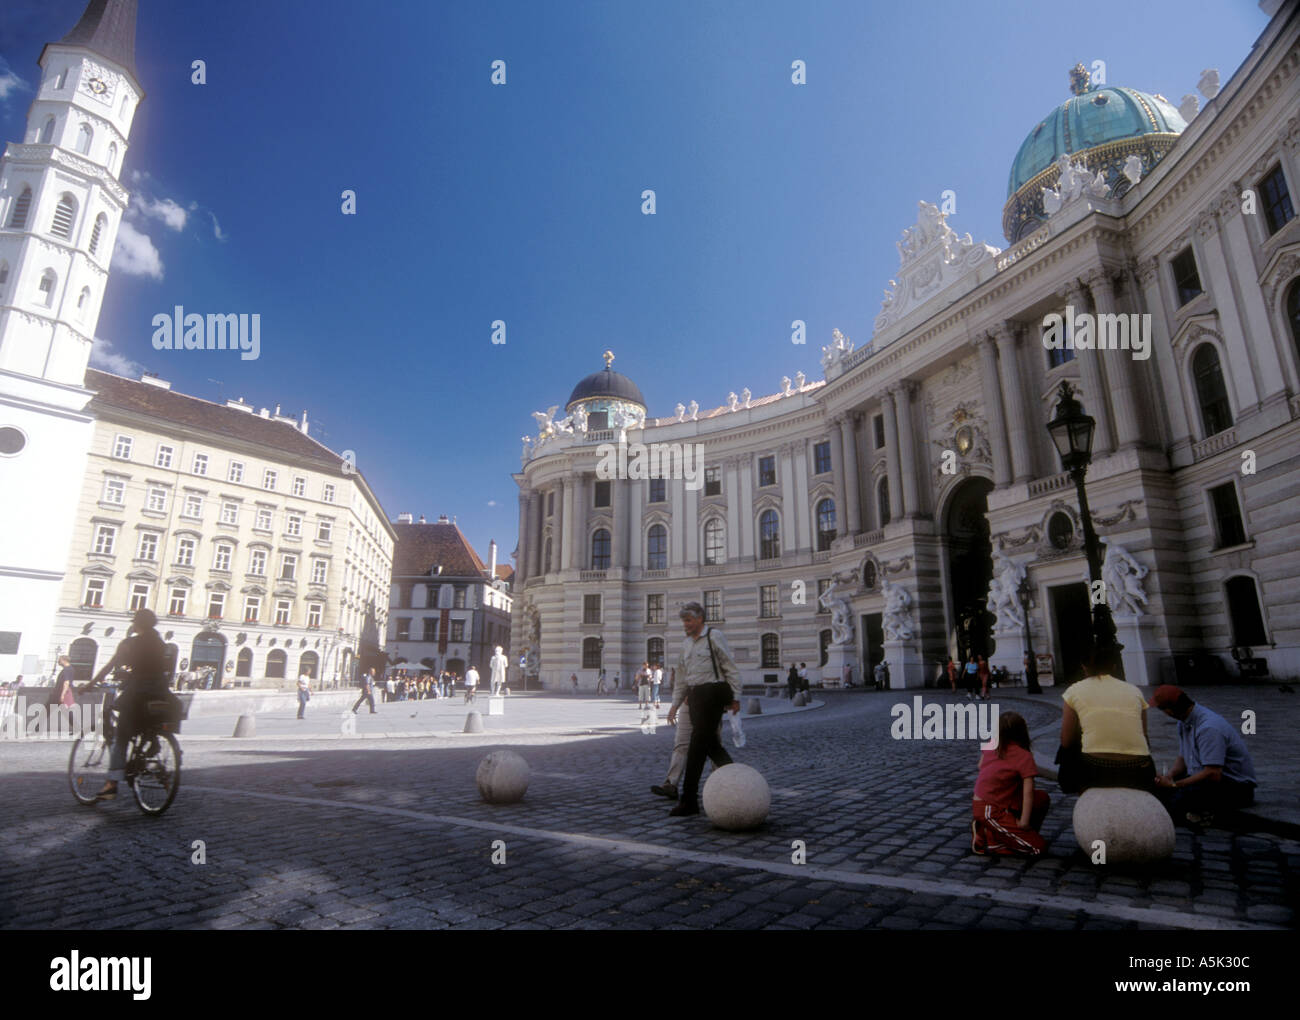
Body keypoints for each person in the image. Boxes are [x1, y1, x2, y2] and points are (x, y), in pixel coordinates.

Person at [76, 609, 171, 801]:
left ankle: (112, 783)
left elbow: (110, 665)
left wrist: (89, 685)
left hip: (139, 692)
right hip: (161, 692)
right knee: (149, 726)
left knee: (121, 737)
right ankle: (152, 751)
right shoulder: (161, 644)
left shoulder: (130, 643)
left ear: (137, 624)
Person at [665, 602, 741, 817]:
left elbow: (729, 667)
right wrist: (675, 704)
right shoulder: (686, 644)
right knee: (709, 745)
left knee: (698, 746)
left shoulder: (714, 636)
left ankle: (689, 800)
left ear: (699, 619)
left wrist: (735, 697)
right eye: (683, 621)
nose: (685, 625)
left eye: (688, 620)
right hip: (695, 696)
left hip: (713, 693)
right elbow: (681, 678)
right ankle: (736, 777)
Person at [1150, 686, 1257, 826]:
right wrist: (1170, 776)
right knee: (1158, 791)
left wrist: (1174, 785)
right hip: (1207, 779)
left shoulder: (1208, 728)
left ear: (1170, 710)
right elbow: (1183, 756)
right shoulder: (1184, 722)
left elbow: (1213, 773)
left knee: (1174, 801)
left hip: (1236, 787)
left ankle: (1203, 817)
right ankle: (1194, 813)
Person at [1057, 644, 1153, 793]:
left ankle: (1077, 790)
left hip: (1096, 766)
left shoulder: (1074, 691)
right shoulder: (1134, 690)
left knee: (1068, 749)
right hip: (1138, 765)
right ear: (1114, 666)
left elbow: (1066, 740)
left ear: (1084, 667)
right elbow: (1144, 735)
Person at [971, 711, 1050, 856]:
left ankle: (1007, 834)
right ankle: (990, 839)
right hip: (990, 808)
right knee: (1038, 848)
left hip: (987, 801)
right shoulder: (1023, 756)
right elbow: (1028, 793)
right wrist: (1024, 822)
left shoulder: (992, 744)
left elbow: (980, 765)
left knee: (1042, 799)